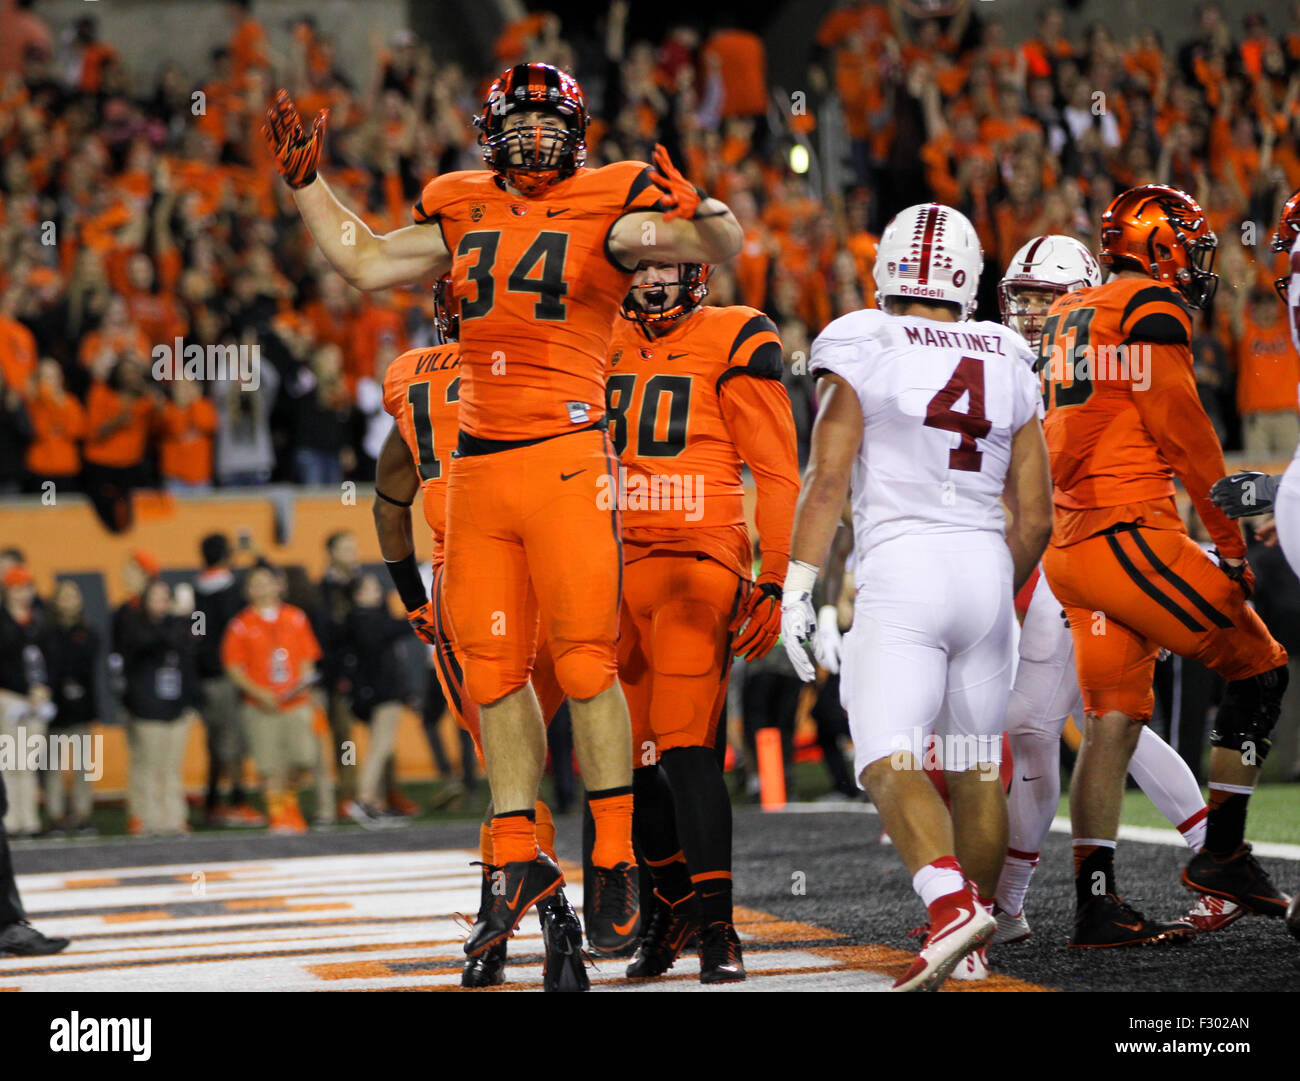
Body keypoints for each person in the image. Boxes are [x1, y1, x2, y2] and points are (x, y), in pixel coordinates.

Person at [265, 60, 743, 956]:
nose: (533, 133)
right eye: (517, 117)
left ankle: (612, 858)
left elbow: (716, 247)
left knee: (586, 658)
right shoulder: (458, 198)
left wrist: (706, 211)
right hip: (480, 471)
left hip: (566, 454)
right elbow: (366, 260)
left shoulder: (614, 197)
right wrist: (305, 186)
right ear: (489, 128)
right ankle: (518, 855)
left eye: (547, 117)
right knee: (494, 674)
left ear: (580, 131)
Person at [781, 203, 1054, 991]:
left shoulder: (863, 337)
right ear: (968, 277)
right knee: (973, 766)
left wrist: (801, 585)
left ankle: (949, 907)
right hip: (982, 564)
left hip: (903, 566)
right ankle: (974, 945)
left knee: (881, 754)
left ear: (888, 271)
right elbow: (1035, 514)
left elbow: (827, 475)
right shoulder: (1006, 348)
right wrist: (991, 588)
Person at [1038, 185, 1290, 947]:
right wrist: (1233, 541)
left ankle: (1095, 904)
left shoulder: (1069, 309)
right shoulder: (1149, 306)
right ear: (1159, 247)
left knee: (1112, 719)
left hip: (1071, 543)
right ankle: (1222, 853)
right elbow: (1184, 434)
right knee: (1260, 664)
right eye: (1190, 245)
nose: (1198, 264)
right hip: (1124, 532)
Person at [991, 235, 1218, 944]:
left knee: (1053, 722)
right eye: (1022, 296)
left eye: (1044, 297)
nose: (1030, 311)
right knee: (1098, 723)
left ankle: (1008, 904)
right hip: (1065, 550)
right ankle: (1216, 857)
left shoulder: (1090, 358)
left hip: (1099, 542)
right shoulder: (1009, 358)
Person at [372, 277, 583, 991]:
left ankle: (556, 921)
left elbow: (388, 498)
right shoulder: (559, 355)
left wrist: (410, 599)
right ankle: (500, 934)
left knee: (508, 767)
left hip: (472, 585)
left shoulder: (410, 377)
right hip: (558, 578)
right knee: (517, 772)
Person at [606, 259, 800, 983]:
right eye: (641, 263)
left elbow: (778, 471)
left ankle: (720, 929)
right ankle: (676, 901)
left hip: (699, 557)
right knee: (623, 767)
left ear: (697, 269)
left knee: (686, 748)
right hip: (612, 566)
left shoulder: (735, 334)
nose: (653, 278)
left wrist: (776, 577)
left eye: (667, 263)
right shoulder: (595, 334)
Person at [221, 562, 322, 834]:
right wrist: (259, 693)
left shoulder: (295, 617)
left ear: (279, 585)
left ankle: (289, 800)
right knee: (269, 762)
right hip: (260, 705)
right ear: (248, 590)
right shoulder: (241, 624)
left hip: (295, 702)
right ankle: (280, 812)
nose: (262, 587)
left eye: (267, 581)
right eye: (256, 583)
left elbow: (307, 658)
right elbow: (234, 667)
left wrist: (301, 687)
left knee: (303, 758)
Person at [120, 579, 198, 835]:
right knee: (148, 766)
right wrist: (176, 619)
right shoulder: (133, 623)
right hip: (146, 706)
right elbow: (148, 644)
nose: (162, 603)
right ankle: (144, 817)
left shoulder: (181, 623)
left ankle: (173, 818)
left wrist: (194, 613)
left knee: (172, 767)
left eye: (166, 597)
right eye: (156, 597)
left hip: (175, 707)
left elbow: (199, 637)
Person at [193, 533, 260, 827]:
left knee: (216, 741)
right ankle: (236, 801)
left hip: (206, 677)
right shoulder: (230, 590)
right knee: (232, 741)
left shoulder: (196, 590)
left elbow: (197, 635)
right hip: (227, 676)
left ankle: (212, 801)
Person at [340, 572, 412, 824]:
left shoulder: (360, 619)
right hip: (382, 693)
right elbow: (396, 629)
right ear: (357, 595)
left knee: (380, 748)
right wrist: (421, 614)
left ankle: (375, 802)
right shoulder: (365, 619)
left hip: (372, 693)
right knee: (380, 748)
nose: (377, 591)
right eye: (370, 587)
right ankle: (364, 799)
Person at [0, 564, 58, 837]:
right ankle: (11, 821)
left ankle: (30, 820)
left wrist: (44, 688)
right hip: (9, 697)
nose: (23, 593)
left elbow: (51, 658)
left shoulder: (39, 620)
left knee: (29, 762)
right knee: (10, 761)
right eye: (18, 587)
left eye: (27, 587)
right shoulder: (3, 621)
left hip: (37, 698)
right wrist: (25, 688)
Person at [45, 580, 98, 836]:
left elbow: (87, 666)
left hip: (81, 705)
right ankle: (56, 815)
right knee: (52, 766)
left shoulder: (87, 632)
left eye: (73, 596)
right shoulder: (46, 631)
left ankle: (82, 814)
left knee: (82, 765)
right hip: (54, 707)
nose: (69, 601)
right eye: (64, 596)